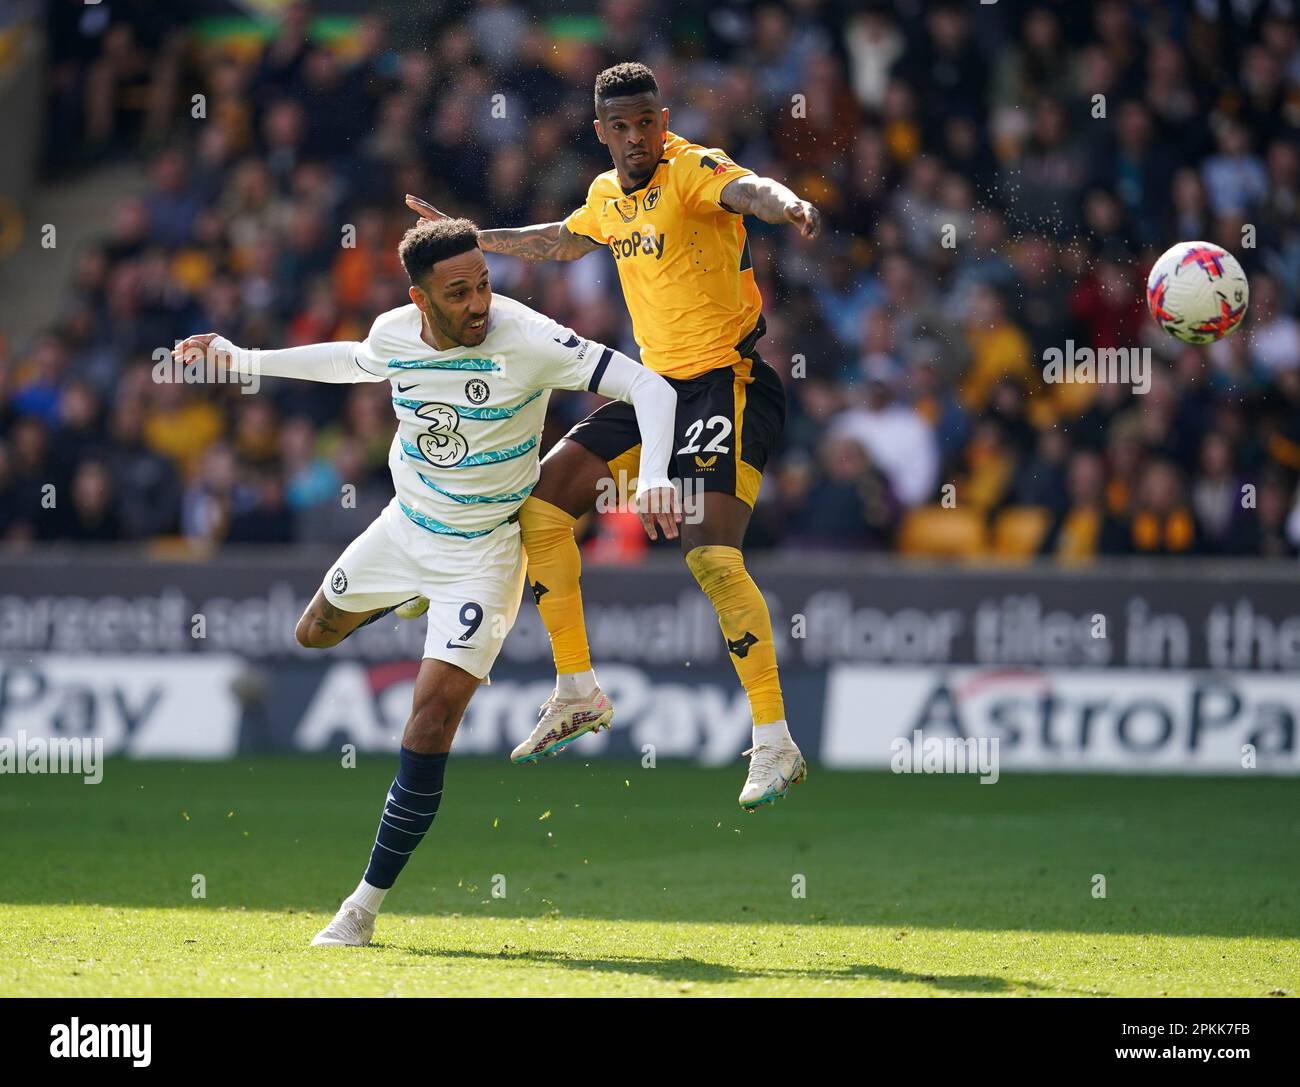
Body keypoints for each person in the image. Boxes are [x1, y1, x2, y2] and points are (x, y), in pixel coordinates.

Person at [173, 217, 679, 947]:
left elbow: (648, 385)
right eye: (459, 293)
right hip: (406, 528)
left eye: (483, 285)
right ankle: (407, 598)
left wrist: (656, 475)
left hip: (484, 554)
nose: (479, 303)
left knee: (430, 720)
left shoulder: (527, 337)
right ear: (420, 300)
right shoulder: (396, 334)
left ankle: (361, 908)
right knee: (311, 633)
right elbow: (353, 360)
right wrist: (243, 358)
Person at [407, 61, 822, 810]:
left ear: (663, 120)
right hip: (654, 389)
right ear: (601, 134)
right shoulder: (606, 197)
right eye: (621, 128)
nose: (636, 138)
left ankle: (775, 740)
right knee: (541, 506)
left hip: (726, 384)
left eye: (647, 122)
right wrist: (472, 239)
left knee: (712, 556)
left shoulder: (692, 169)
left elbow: (747, 188)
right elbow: (562, 241)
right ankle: (578, 690)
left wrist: (784, 201)